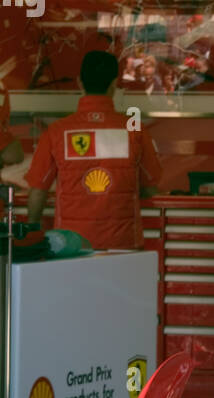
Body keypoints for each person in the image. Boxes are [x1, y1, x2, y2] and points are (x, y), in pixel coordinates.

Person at [25, 50, 161, 251]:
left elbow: (38, 191)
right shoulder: (135, 129)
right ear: (115, 85)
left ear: (80, 82)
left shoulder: (57, 132)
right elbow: (150, 187)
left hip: (70, 245)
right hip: (123, 244)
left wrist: (31, 230)